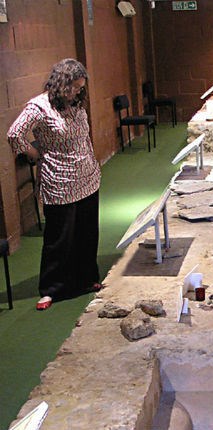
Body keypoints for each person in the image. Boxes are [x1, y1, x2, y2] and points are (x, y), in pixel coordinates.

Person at [7, 58, 103, 311]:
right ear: (62, 83)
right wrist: (33, 154)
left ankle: (86, 278)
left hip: (88, 177)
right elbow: (14, 134)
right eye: (75, 87)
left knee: (87, 232)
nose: (78, 92)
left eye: (81, 88)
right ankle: (52, 289)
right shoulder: (39, 107)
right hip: (59, 181)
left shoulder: (76, 104)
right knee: (59, 237)